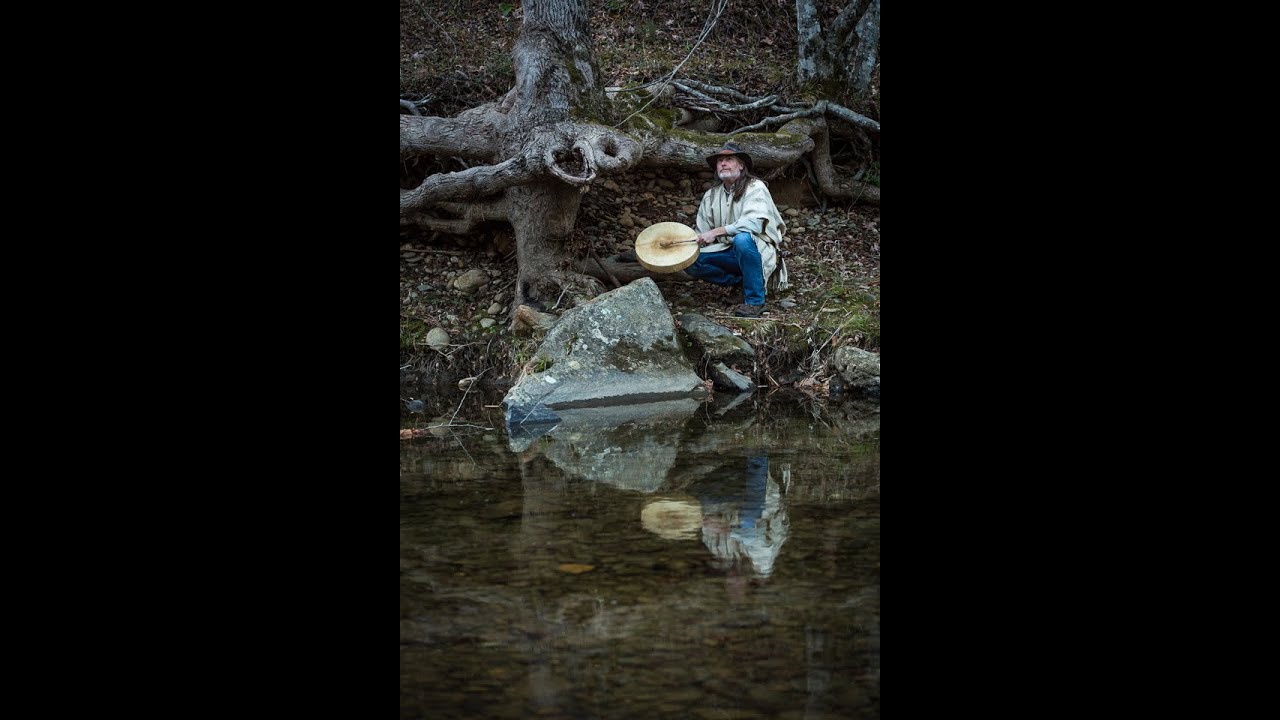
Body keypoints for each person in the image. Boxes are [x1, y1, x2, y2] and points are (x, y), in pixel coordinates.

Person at [687, 142, 789, 318]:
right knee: (689, 259)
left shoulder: (755, 187)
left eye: (729, 159)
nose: (723, 164)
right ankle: (742, 283)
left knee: (742, 239)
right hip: (727, 252)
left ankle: (755, 301)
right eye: (720, 161)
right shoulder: (711, 195)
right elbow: (703, 232)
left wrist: (717, 232)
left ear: (741, 165)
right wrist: (695, 241)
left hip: (757, 250)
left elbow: (754, 223)